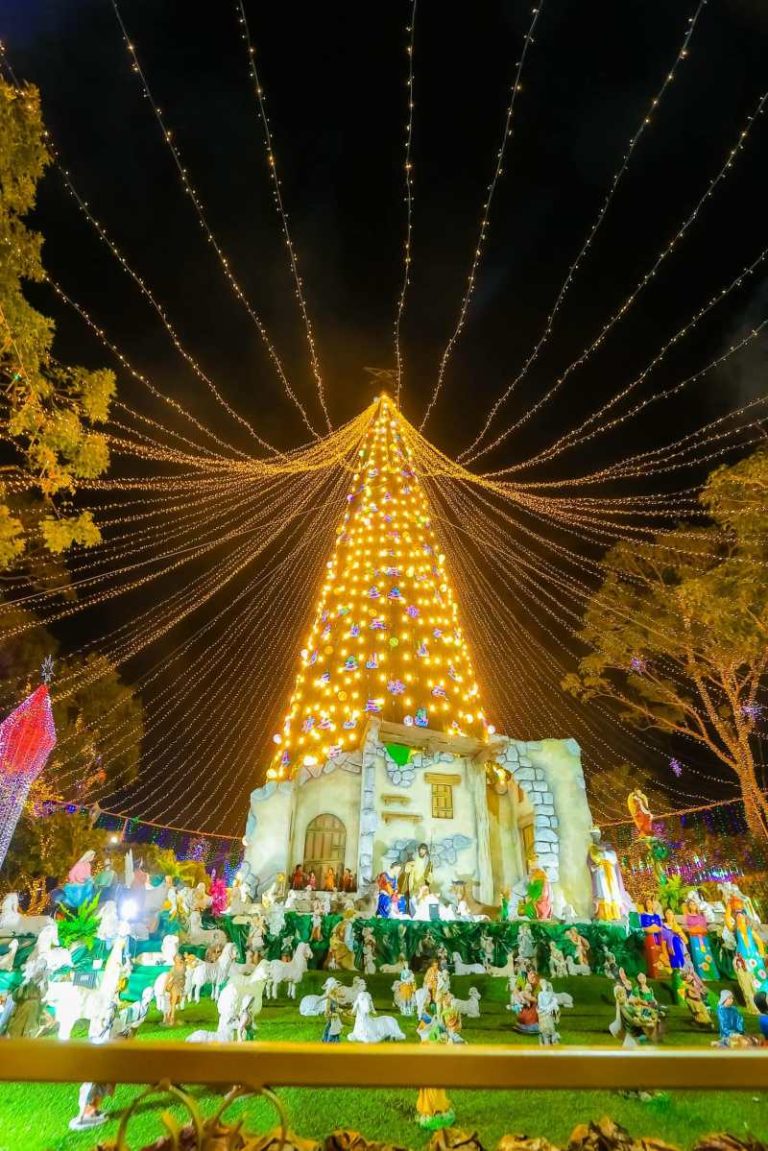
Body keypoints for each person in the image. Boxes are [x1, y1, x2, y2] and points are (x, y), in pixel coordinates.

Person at [587, 827, 633, 920]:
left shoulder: (606, 845)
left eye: (596, 835)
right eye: (593, 835)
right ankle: (603, 915)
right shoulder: (591, 847)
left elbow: (613, 857)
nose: (595, 837)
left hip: (609, 872)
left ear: (599, 835)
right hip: (599, 874)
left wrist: (603, 852)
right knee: (601, 893)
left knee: (612, 893)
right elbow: (590, 863)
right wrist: (594, 867)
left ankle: (615, 914)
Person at [683, 898, 719, 980]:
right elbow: (685, 928)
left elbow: (705, 928)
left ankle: (713, 975)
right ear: (688, 906)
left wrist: (700, 929)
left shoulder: (701, 917)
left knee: (707, 955)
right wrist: (695, 929)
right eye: (691, 904)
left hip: (704, 938)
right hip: (694, 939)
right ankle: (702, 975)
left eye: (694, 904)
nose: (693, 906)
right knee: (698, 955)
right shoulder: (687, 917)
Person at [402, 844, 433, 913]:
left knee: (422, 900)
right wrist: (409, 865)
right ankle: (412, 913)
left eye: (424, 850)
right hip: (412, 882)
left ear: (426, 851)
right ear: (419, 850)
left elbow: (429, 875)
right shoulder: (413, 858)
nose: (422, 851)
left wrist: (429, 873)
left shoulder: (427, 861)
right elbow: (407, 870)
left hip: (422, 883)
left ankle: (421, 914)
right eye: (421, 849)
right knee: (412, 899)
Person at [163, 953, 187, 1026]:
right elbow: (168, 977)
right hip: (174, 986)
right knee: (173, 1002)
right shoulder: (173, 968)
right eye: (176, 959)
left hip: (181, 986)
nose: (177, 960)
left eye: (179, 958)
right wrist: (164, 987)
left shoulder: (184, 966)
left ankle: (169, 1015)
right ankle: (172, 1018)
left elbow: (189, 963)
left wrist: (186, 957)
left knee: (177, 1001)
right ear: (174, 960)